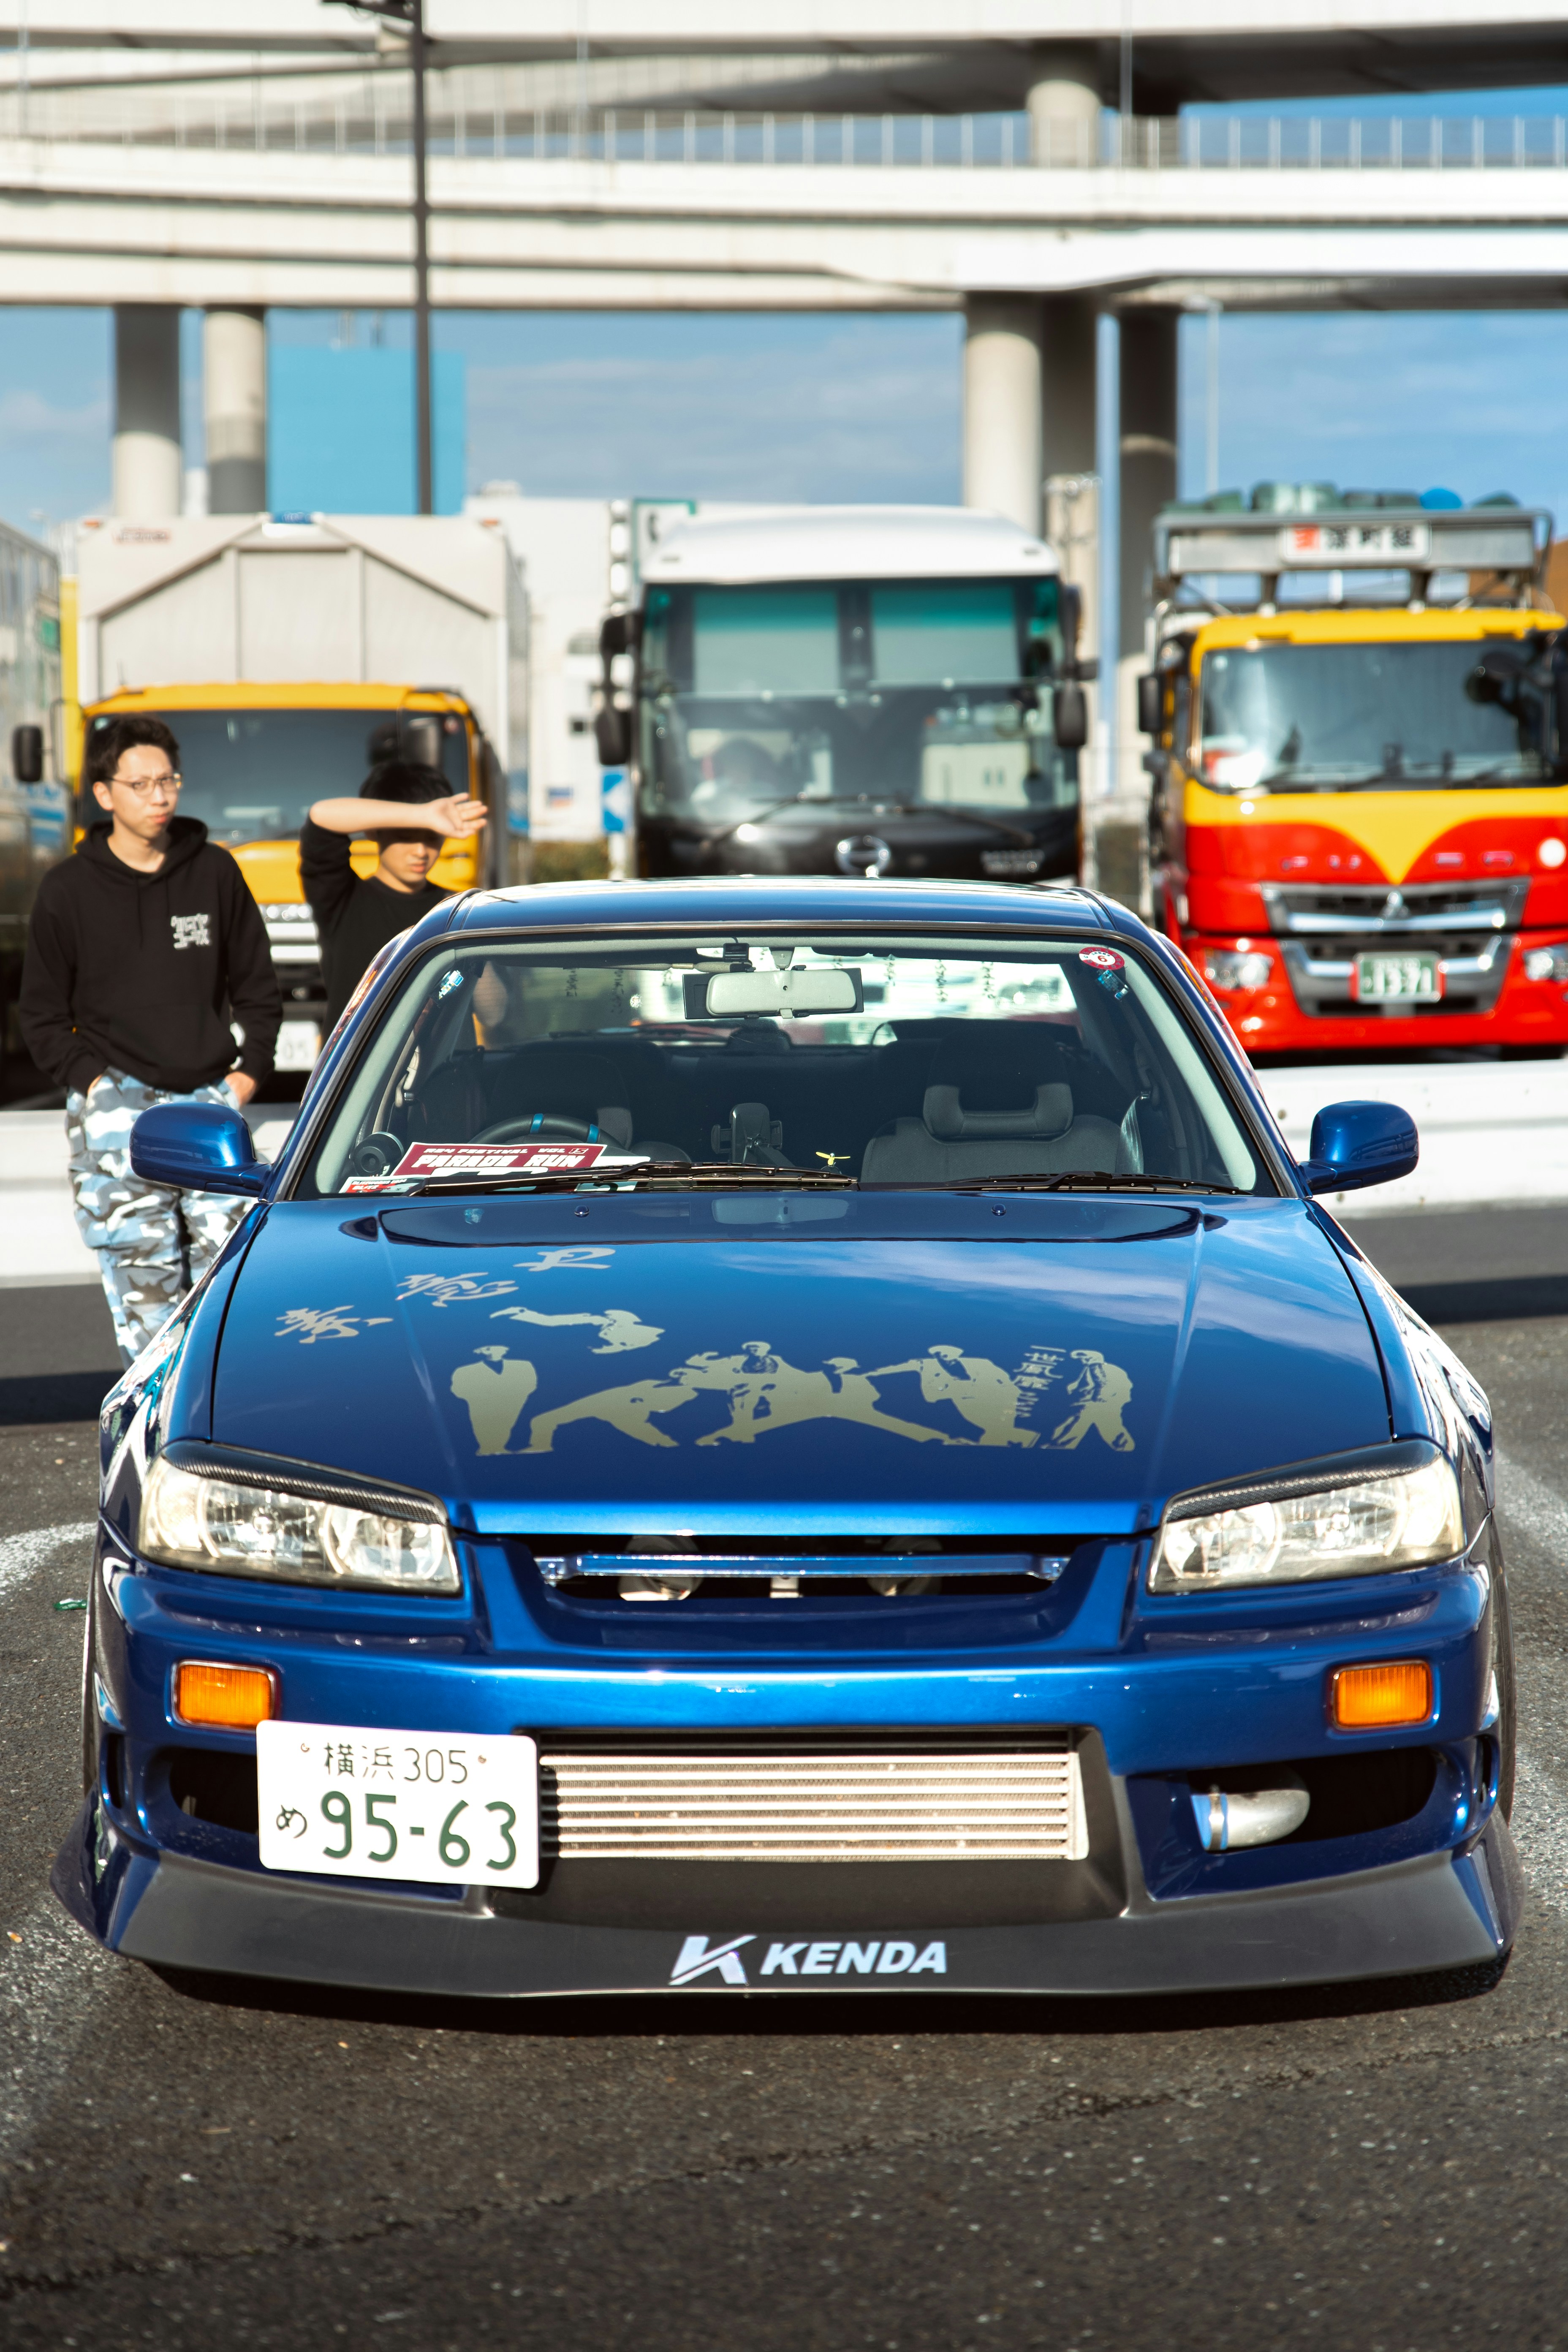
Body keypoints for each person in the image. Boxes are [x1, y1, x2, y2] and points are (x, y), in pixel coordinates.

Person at [19, 714, 282, 1365]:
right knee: (145, 1294)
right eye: (141, 784)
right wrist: (99, 1086)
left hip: (208, 1108)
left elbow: (259, 991)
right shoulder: (66, 891)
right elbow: (43, 1016)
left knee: (230, 1285)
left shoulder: (215, 873)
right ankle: (158, 1438)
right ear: (105, 794)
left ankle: (229, 1440)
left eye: (169, 780)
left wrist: (246, 1078)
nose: (160, 796)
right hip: (118, 1112)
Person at [301, 762, 487, 1033]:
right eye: (406, 836)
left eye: (432, 837)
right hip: (361, 1071)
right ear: (374, 831)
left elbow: (496, 1014)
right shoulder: (342, 898)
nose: (421, 851)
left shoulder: (456, 909)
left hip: (446, 1072)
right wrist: (423, 814)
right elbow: (321, 817)